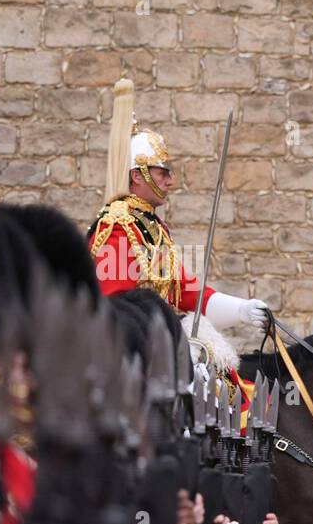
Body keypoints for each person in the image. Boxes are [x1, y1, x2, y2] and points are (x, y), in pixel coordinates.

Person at [88, 78, 268, 366]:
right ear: (138, 176)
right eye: (163, 173)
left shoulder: (149, 228)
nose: (170, 181)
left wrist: (241, 310)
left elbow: (185, 293)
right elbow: (117, 309)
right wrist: (173, 340)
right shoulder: (118, 226)